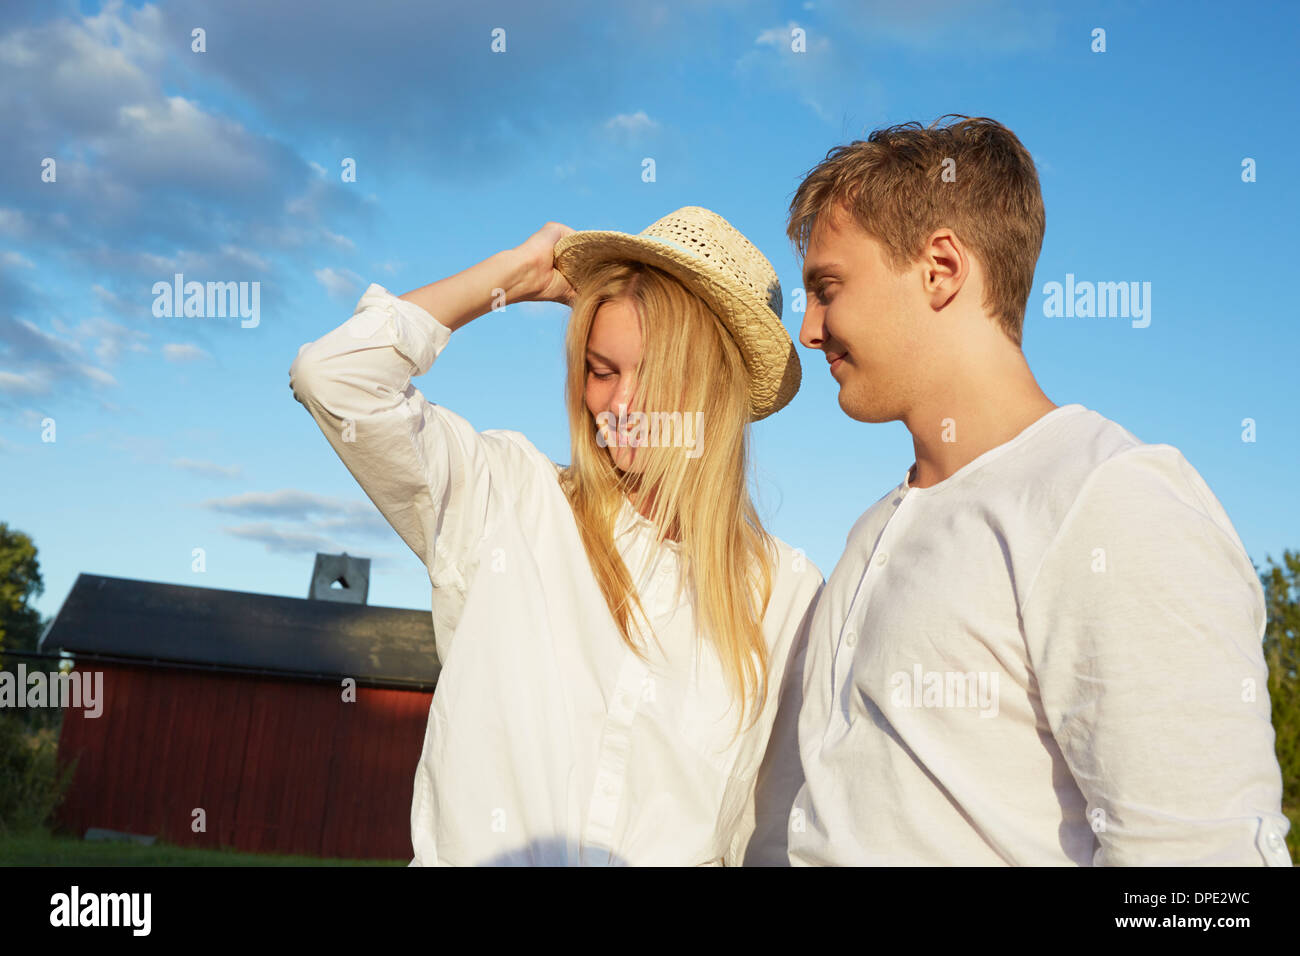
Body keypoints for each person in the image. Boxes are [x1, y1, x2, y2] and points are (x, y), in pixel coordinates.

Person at [746, 115, 1292, 866]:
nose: (809, 329)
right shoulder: (872, 532)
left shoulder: (1108, 499)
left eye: (827, 287)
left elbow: (1201, 868)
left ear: (941, 268)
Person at [288, 205, 822, 865]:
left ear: (717, 390)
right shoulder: (509, 499)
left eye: (654, 375)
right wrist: (516, 274)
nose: (619, 407)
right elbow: (334, 377)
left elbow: (773, 840)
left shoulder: (787, 595)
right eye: (602, 371)